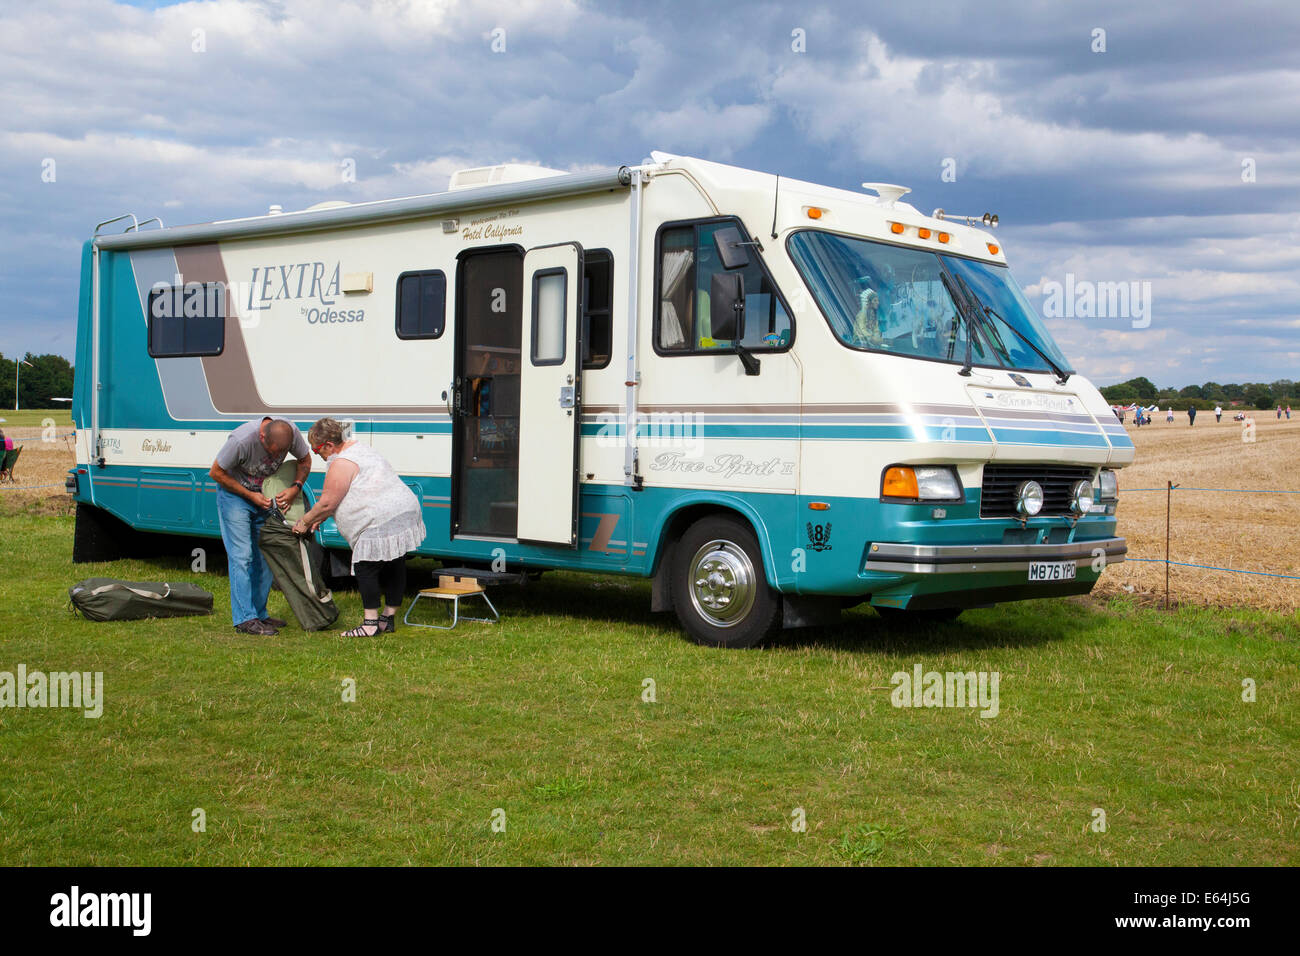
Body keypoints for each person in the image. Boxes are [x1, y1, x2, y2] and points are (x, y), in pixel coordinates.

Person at [293, 418, 426, 637]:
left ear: (328, 445)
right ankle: (387, 618)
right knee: (394, 562)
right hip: (404, 508)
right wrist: (321, 517)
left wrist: (305, 521)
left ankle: (370, 625)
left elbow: (328, 502)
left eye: (317, 451)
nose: (319, 456)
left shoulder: (341, 462)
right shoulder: (360, 448)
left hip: (381, 516)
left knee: (365, 566)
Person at [210, 417, 311, 635]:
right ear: (262, 436)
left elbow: (305, 460)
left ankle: (259, 614)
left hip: (263, 497)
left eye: (279, 454)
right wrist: (250, 496)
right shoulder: (241, 440)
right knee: (242, 556)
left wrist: (295, 487)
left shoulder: (290, 433)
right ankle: (245, 620)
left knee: (265, 555)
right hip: (236, 497)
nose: (275, 458)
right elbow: (216, 473)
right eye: (271, 452)